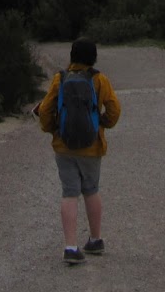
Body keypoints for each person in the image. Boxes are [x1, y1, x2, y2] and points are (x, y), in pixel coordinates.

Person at [35, 37, 121, 265]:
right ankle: (95, 240)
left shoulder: (60, 79)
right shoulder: (100, 79)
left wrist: (51, 129)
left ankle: (71, 247)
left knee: (69, 192)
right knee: (91, 190)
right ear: (93, 57)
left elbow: (45, 110)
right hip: (92, 146)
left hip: (64, 147)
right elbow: (114, 109)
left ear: (72, 56)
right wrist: (103, 123)